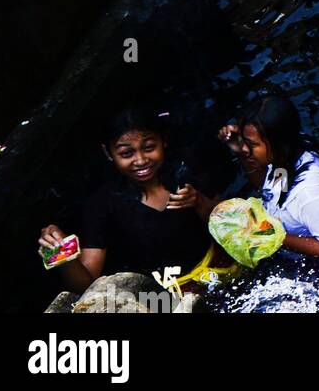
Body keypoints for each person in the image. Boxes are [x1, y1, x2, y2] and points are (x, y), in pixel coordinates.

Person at [38, 106, 214, 292]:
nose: (140, 160)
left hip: (219, 272)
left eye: (148, 148)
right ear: (108, 153)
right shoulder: (103, 205)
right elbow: (87, 286)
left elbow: (231, 219)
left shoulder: (184, 171)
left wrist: (199, 201)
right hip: (166, 298)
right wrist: (63, 254)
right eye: (126, 153)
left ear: (164, 141)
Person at [219, 95, 319, 260]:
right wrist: (241, 152)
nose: (246, 148)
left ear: (278, 143)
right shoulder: (288, 155)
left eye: (251, 144)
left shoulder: (311, 193)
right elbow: (266, 188)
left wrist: (272, 236)